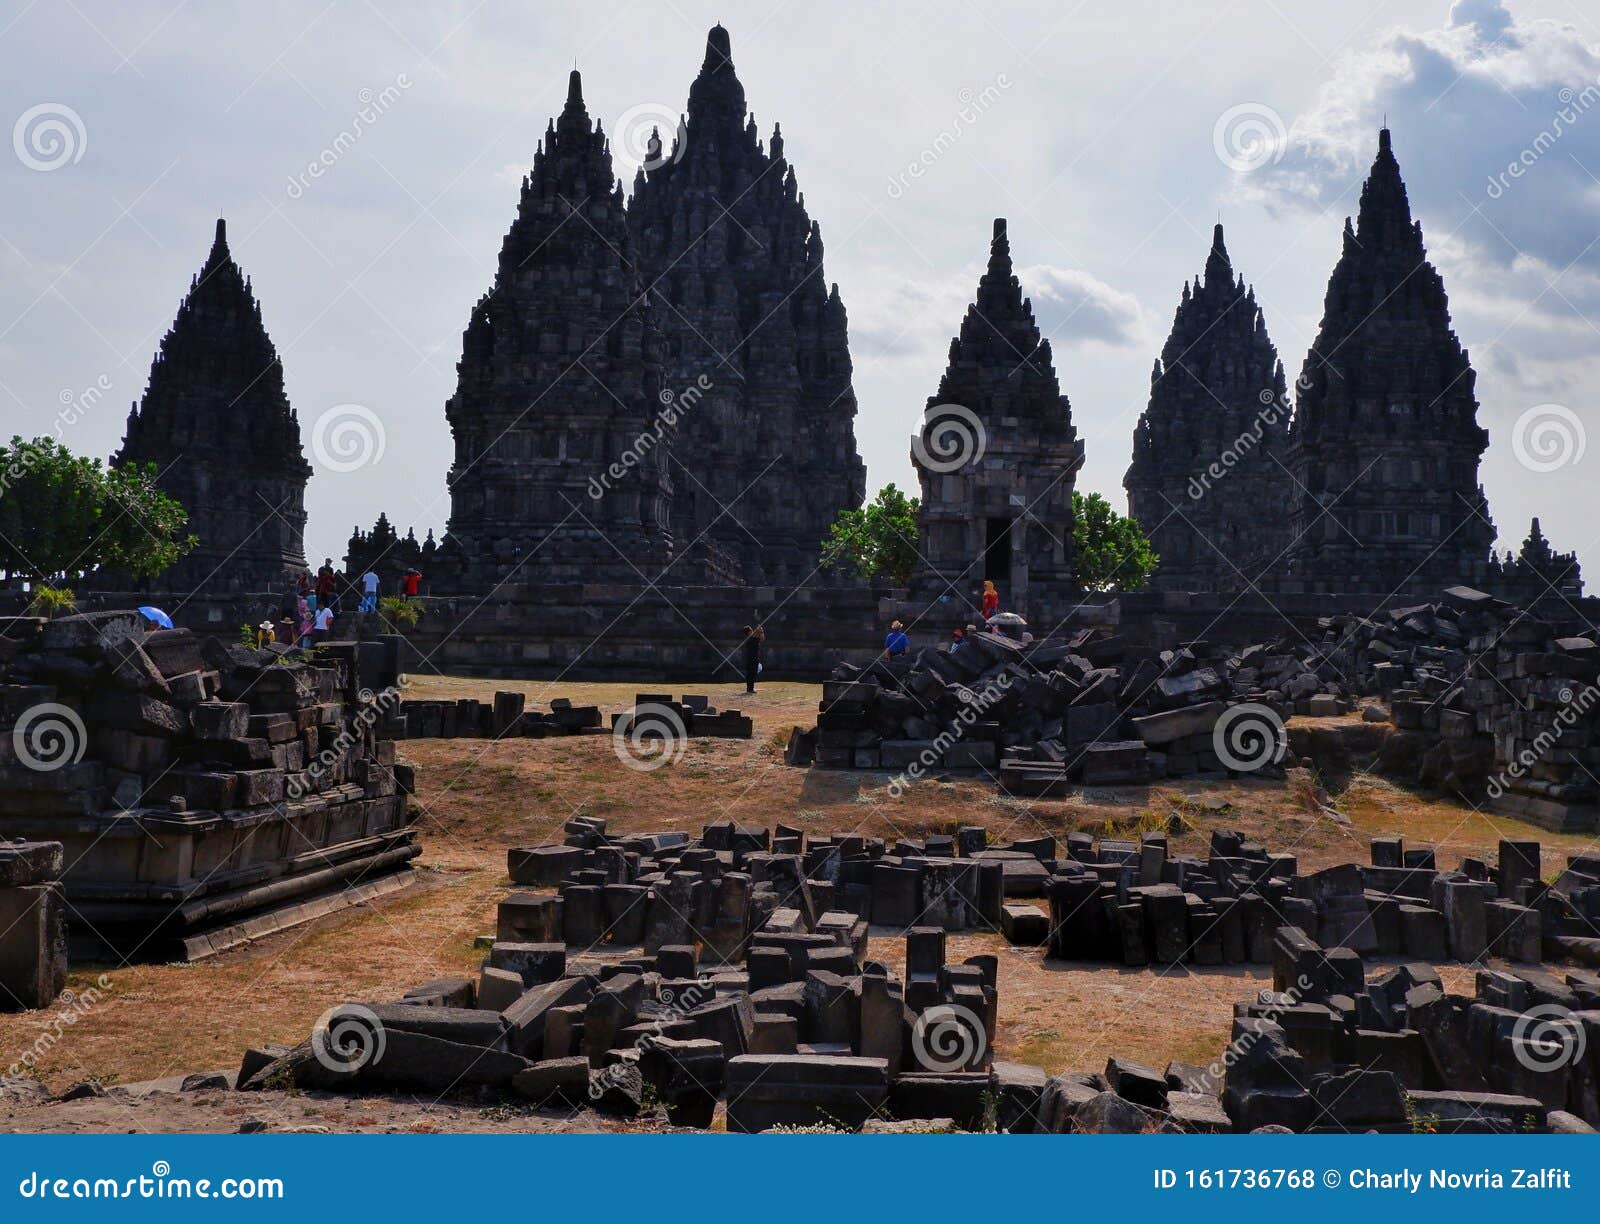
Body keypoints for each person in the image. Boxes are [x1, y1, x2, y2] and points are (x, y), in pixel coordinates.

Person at [741, 624, 765, 694]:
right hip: (751, 659)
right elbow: (756, 635)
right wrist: (759, 630)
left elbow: (762, 638)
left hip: (753, 659)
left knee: (752, 674)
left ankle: (750, 688)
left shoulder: (753, 638)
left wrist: (761, 631)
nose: (752, 631)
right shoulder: (750, 639)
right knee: (751, 674)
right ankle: (750, 689)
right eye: (751, 630)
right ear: (748, 632)